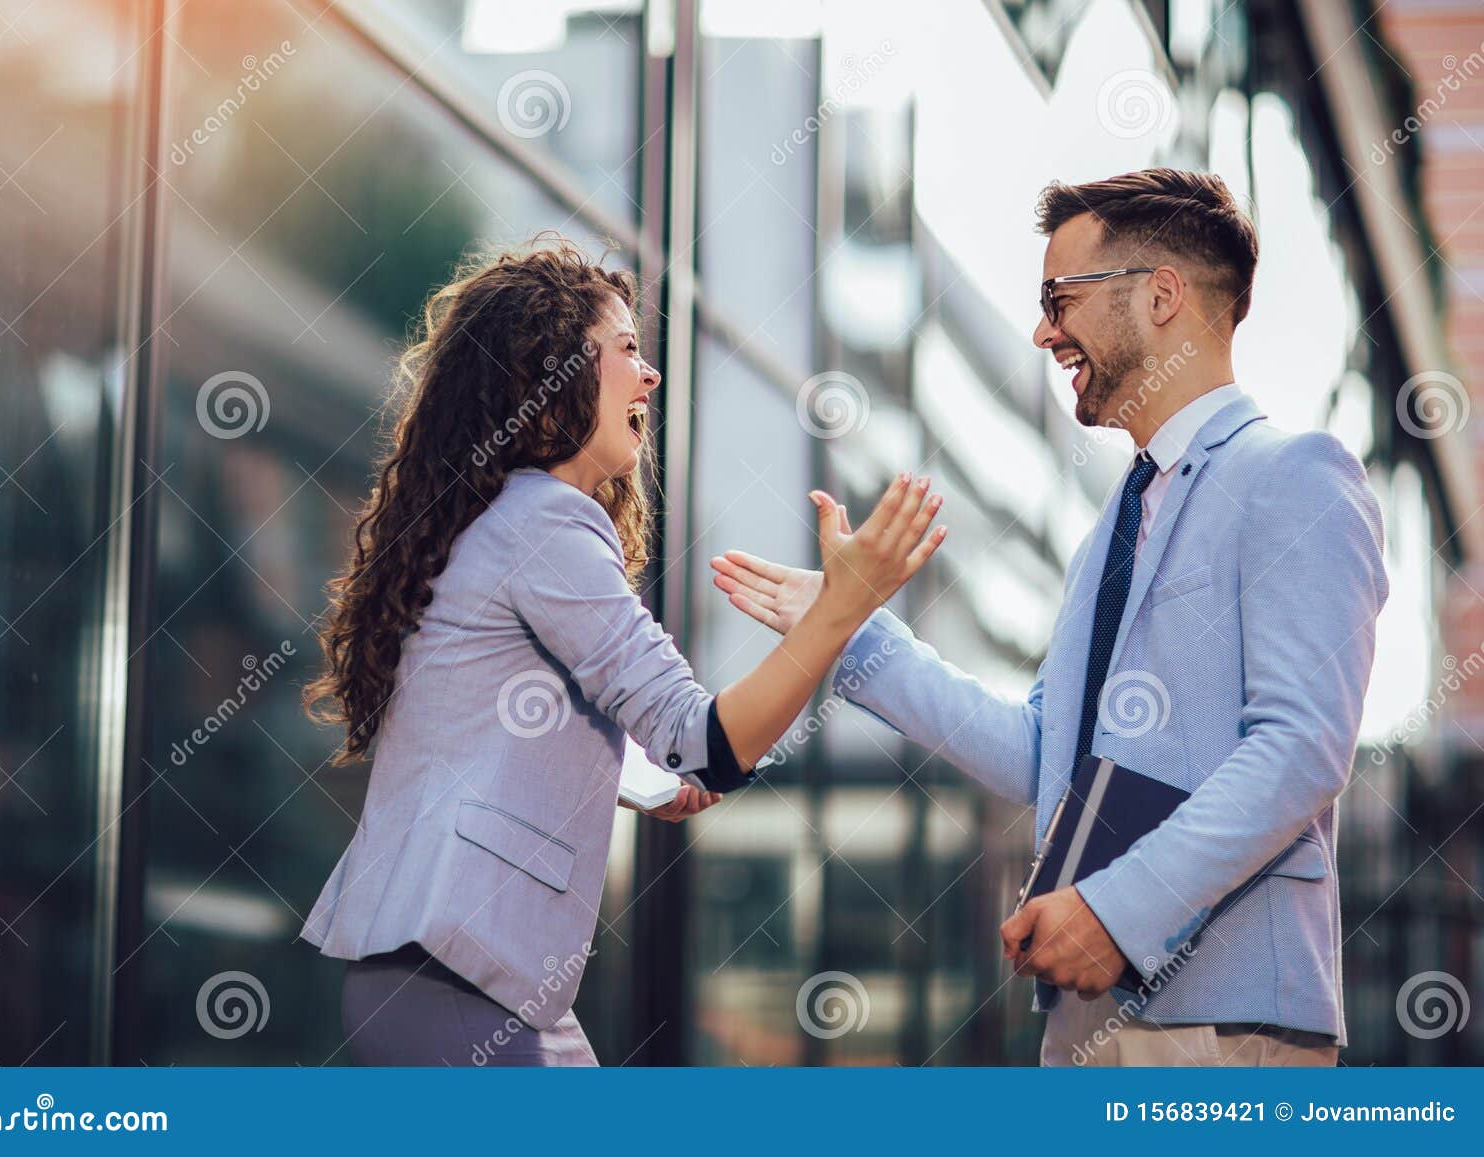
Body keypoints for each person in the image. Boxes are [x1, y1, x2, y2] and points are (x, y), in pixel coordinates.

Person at [711, 168, 1388, 1066]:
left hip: (1221, 1022)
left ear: (1161, 296)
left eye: (1059, 299)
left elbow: (1302, 747)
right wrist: (848, 627)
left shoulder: (1296, 476)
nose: (1044, 331)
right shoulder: (1117, 520)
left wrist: (1118, 911)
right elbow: (1043, 756)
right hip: (1085, 1015)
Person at [299, 235, 946, 1066]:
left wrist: (646, 775)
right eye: (629, 349)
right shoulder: (547, 520)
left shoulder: (494, 520)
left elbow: (488, 716)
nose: (652, 375)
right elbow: (705, 741)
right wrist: (843, 606)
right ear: (552, 370)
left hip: (444, 974)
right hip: (461, 974)